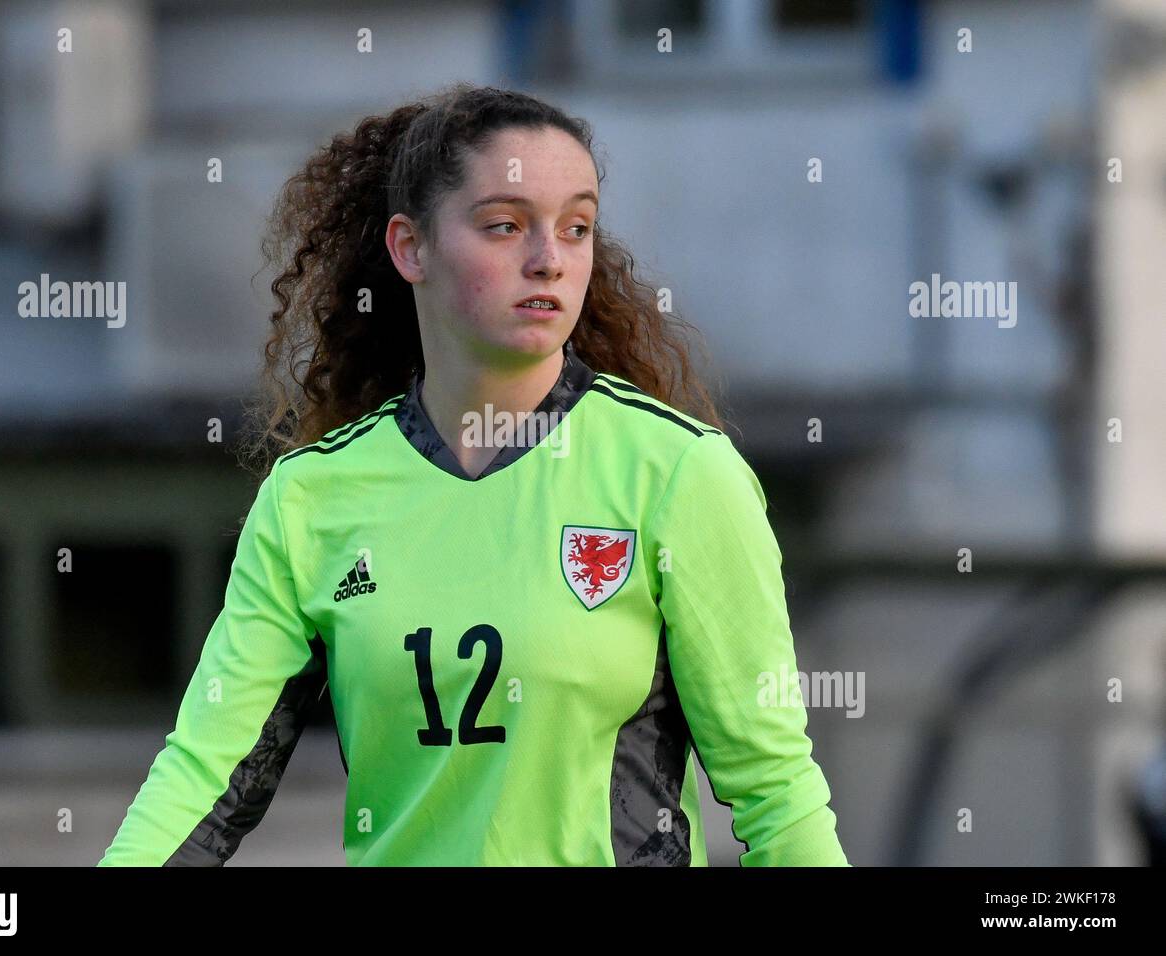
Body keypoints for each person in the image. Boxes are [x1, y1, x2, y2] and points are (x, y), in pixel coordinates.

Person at [98, 83, 848, 867]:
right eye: (504, 225)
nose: (549, 259)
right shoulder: (310, 500)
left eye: (577, 227)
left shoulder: (680, 475)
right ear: (409, 248)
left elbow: (777, 790)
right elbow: (206, 777)